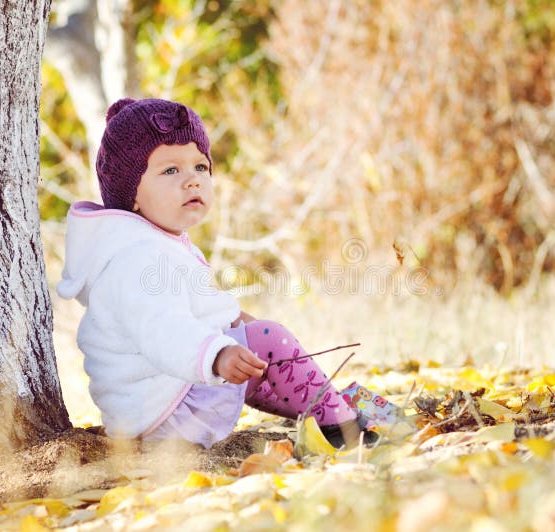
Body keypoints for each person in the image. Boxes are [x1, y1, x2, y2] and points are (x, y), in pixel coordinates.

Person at [57, 97, 379, 449]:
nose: (192, 181)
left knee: (254, 350)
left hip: (162, 404)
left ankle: (329, 409)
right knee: (269, 338)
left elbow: (200, 309)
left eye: (201, 167)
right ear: (130, 192)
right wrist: (218, 353)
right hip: (166, 412)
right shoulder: (137, 258)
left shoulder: (153, 243)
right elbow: (163, 328)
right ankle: (345, 428)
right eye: (170, 171)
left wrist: (237, 326)